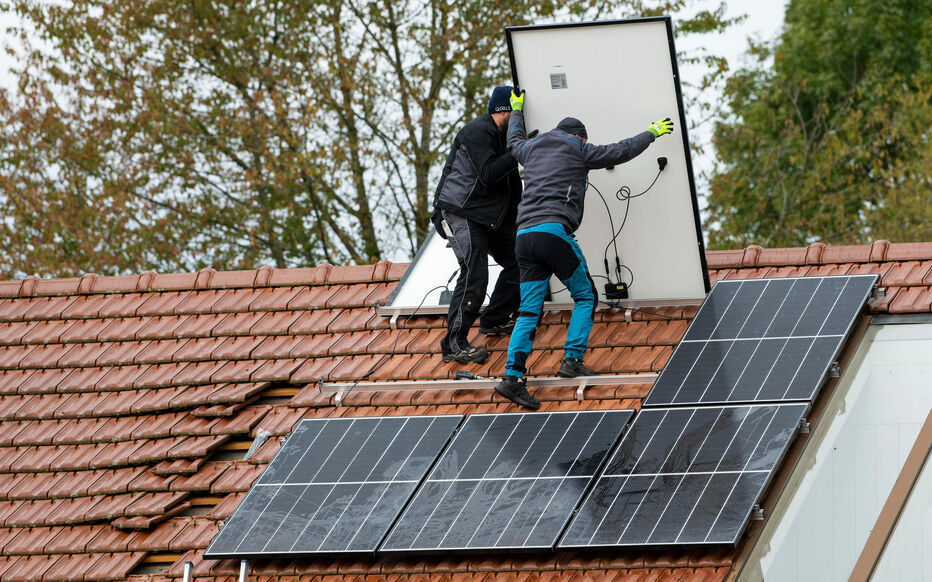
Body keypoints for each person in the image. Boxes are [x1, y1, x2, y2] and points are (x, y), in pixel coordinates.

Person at [494, 89, 673, 409]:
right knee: (586, 295)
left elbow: (513, 141)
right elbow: (620, 151)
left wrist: (517, 111)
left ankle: (513, 377)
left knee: (528, 312)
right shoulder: (579, 148)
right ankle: (572, 360)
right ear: (580, 135)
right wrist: (651, 133)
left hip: (524, 237)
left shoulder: (531, 148)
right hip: (553, 233)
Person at [432, 86, 523, 364]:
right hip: (459, 212)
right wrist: (519, 151)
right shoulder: (477, 132)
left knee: (522, 258)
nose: (520, 121)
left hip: (487, 216)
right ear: (503, 111)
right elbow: (488, 174)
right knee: (475, 272)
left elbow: (511, 190)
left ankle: (494, 318)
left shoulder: (505, 138)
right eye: (516, 114)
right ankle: (454, 344)